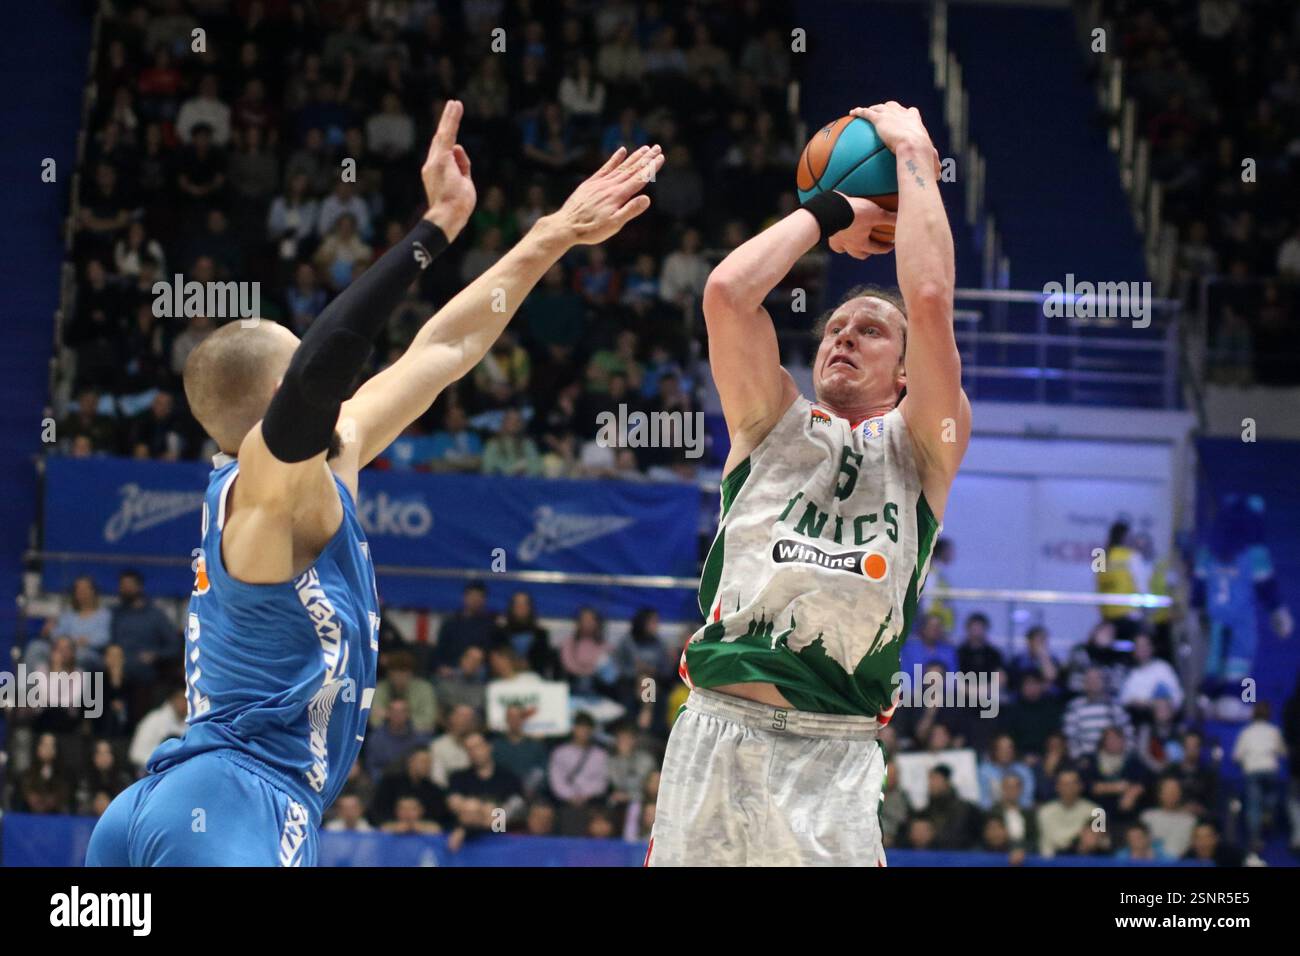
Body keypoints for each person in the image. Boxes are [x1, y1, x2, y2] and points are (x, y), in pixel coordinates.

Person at [87, 102, 662, 866]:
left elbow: (447, 347)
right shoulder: (266, 494)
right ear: (289, 392)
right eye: (307, 368)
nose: (337, 385)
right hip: (236, 803)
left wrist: (550, 233)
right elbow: (326, 361)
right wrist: (431, 234)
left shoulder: (324, 458)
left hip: (165, 803)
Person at [651, 102, 965, 867]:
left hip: (836, 755)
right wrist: (829, 210)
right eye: (833, 329)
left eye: (868, 332)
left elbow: (927, 303)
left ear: (903, 374)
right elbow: (727, 293)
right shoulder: (768, 421)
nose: (843, 337)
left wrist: (912, 150)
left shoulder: (925, 447)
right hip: (718, 729)